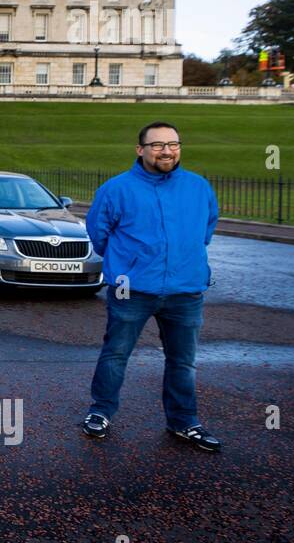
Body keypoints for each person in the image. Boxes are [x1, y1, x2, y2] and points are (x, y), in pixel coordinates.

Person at [81, 122, 222, 452]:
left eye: (173, 144)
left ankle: (184, 421)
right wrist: (127, 263)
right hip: (132, 288)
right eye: (157, 145)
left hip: (185, 290)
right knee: (116, 354)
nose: (167, 151)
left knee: (182, 361)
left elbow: (206, 228)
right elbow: (98, 233)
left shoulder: (198, 187)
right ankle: (100, 412)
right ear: (140, 150)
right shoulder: (117, 189)